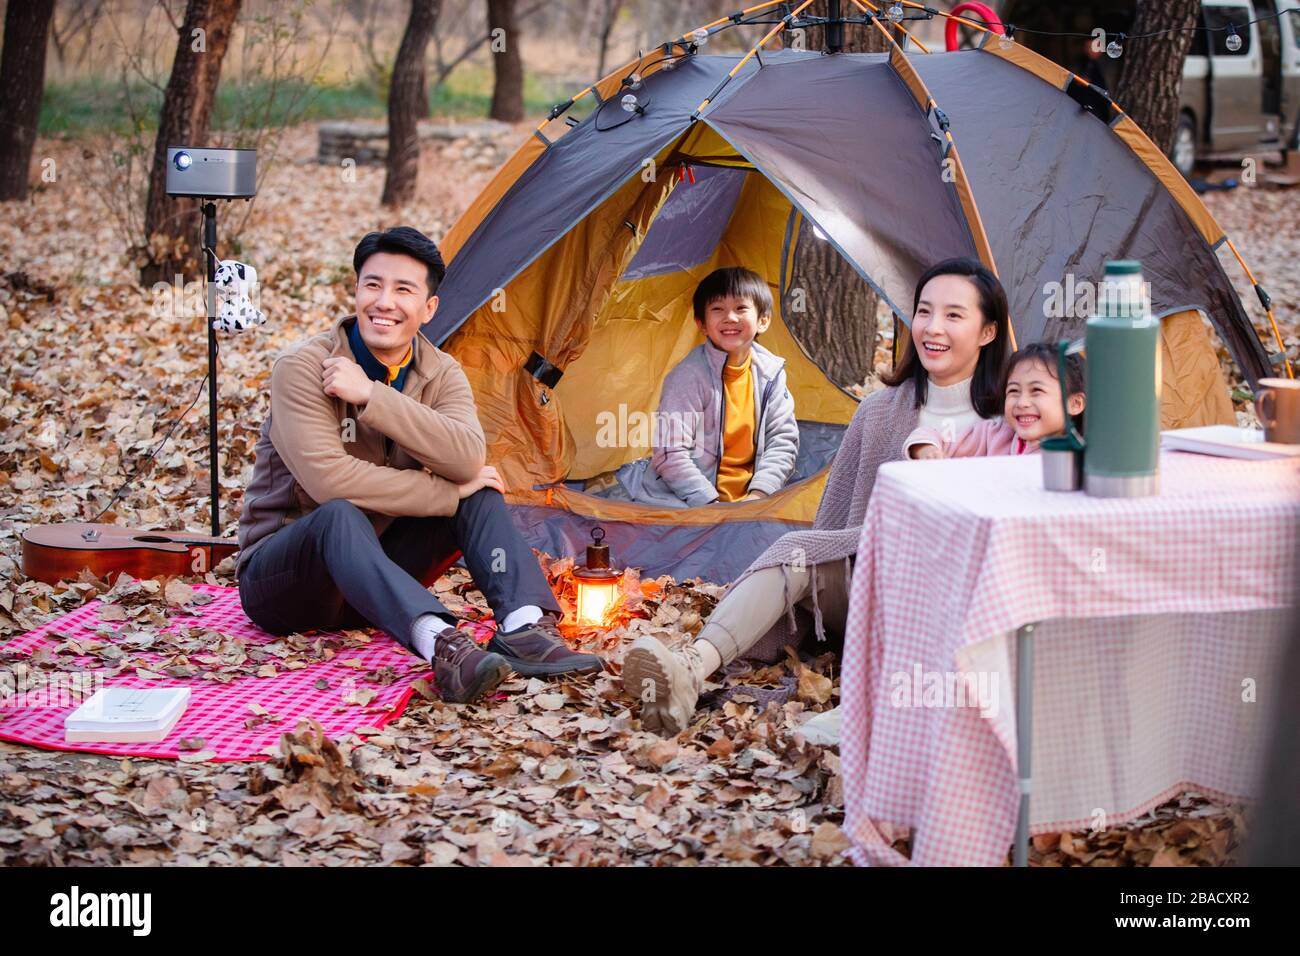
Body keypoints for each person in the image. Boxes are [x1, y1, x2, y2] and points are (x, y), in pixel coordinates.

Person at [621, 257, 1013, 741]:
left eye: (954, 315)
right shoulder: (881, 411)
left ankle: (886, 710)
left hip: (957, 601)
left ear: (988, 331)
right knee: (798, 552)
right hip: (868, 581)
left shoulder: (1009, 423)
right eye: (925, 312)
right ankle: (689, 670)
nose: (932, 328)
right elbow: (833, 523)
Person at [237, 226, 601, 705]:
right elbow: (329, 482)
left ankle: (523, 628)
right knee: (342, 514)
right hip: (287, 582)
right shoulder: (304, 367)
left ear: (428, 308)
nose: (383, 301)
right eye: (373, 285)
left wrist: (373, 396)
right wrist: (448, 493)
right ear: (356, 291)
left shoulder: (440, 371)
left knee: (482, 491)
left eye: (403, 290)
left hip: (375, 584)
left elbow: (467, 457)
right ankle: (442, 645)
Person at [619, 266, 798, 507]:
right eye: (717, 309)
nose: (730, 317)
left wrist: (758, 496)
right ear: (701, 324)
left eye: (741, 308)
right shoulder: (689, 377)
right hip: (692, 500)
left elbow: (782, 440)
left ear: (763, 321)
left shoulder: (771, 374)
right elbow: (670, 452)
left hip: (752, 500)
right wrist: (709, 505)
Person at [905, 341, 1086, 459]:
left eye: (1036, 390)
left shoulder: (1081, 456)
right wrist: (926, 449)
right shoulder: (995, 435)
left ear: (1074, 403)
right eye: (1013, 391)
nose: (1022, 403)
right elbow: (936, 436)